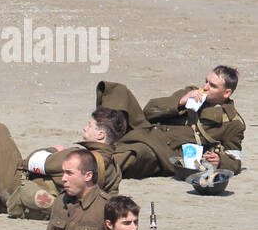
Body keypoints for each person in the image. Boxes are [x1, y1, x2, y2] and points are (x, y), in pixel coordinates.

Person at [0, 107, 127, 216]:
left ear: (100, 135)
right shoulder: (114, 169)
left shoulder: (76, 157)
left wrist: (53, 150)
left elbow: (30, 162)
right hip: (42, 206)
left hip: (20, 190)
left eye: (89, 125)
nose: (85, 128)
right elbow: (109, 200)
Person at [98, 67, 244, 177]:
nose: (205, 87)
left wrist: (220, 161)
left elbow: (235, 161)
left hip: (162, 151)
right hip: (146, 129)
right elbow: (149, 111)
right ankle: (102, 140)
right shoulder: (191, 92)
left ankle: (94, 169)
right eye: (206, 81)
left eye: (212, 86)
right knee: (116, 90)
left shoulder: (232, 123)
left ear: (227, 93)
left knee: (134, 153)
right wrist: (180, 102)